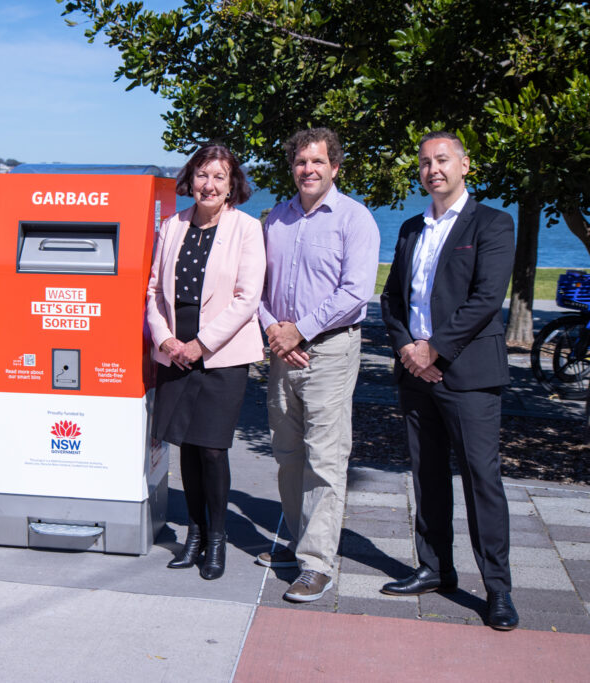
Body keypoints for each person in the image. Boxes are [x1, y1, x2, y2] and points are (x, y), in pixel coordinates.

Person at [380, 131, 518, 630]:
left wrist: (433, 348)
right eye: (424, 162)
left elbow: (486, 298)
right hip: (415, 374)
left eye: (442, 160)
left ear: (464, 166)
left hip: (468, 375)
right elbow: (392, 299)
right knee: (427, 475)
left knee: (483, 480)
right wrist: (406, 349)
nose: (432, 168)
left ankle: (498, 589)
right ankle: (435, 568)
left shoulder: (493, 223)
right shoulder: (411, 228)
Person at [257, 127, 380, 602]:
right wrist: (275, 331)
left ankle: (317, 563)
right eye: (301, 162)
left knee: (325, 457)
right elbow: (258, 288)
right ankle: (295, 541)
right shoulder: (276, 219)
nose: (308, 169)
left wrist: (301, 330)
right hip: (282, 350)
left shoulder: (356, 219)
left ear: (335, 167)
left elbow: (355, 294)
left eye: (317, 162)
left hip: (329, 349)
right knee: (287, 452)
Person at [146, 143, 265, 581]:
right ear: (190, 180)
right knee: (188, 448)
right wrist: (167, 339)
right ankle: (193, 536)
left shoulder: (247, 229)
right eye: (201, 175)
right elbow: (155, 291)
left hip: (222, 356)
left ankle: (216, 539)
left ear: (233, 183)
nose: (209, 184)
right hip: (176, 353)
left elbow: (246, 298)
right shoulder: (171, 226)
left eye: (219, 176)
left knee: (213, 449)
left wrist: (201, 344)